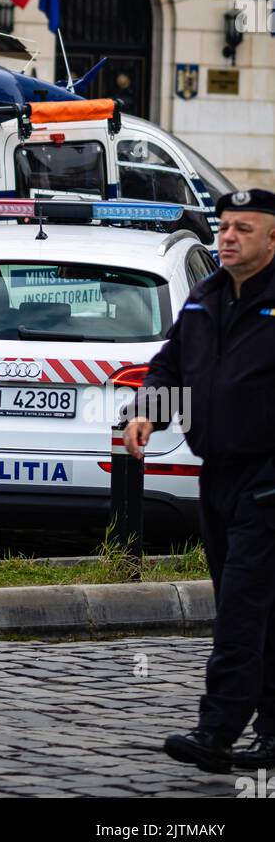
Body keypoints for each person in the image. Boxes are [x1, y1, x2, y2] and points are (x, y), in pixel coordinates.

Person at [123, 188, 275, 774]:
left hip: (267, 480)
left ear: (272, 240)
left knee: (241, 608)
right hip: (217, 478)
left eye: (243, 229)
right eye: (225, 226)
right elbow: (170, 365)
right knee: (261, 609)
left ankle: (216, 730)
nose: (228, 237)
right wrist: (147, 411)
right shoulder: (205, 297)